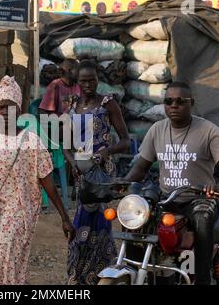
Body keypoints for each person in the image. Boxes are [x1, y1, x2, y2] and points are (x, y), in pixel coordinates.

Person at [124, 81, 219, 285]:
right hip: (167, 198)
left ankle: (202, 278)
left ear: (191, 103)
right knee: (134, 218)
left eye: (180, 101)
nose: (173, 105)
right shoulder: (157, 129)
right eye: (168, 101)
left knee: (202, 218)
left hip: (200, 198)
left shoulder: (208, 130)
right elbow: (141, 166)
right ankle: (136, 269)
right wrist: (122, 183)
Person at [0, 76, 75, 285]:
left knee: (3, 264)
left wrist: (64, 217)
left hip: (17, 212)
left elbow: (48, 182)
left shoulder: (31, 140)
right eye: (1, 107)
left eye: (10, 106)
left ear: (19, 107)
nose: (6, 111)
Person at [64, 60, 130, 285]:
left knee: (101, 222)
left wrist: (106, 152)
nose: (88, 85)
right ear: (77, 82)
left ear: (97, 80)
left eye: (91, 80)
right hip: (81, 173)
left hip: (102, 174)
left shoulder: (108, 104)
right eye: (83, 81)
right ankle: (79, 275)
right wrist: (72, 162)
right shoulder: (72, 105)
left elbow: (125, 141)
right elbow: (65, 144)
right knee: (81, 221)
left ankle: (104, 272)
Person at [38, 59, 81, 211]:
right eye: (76, 70)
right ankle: (77, 177)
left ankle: (79, 178)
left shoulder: (77, 86)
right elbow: (43, 112)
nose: (79, 73)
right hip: (56, 128)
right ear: (67, 71)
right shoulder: (55, 86)